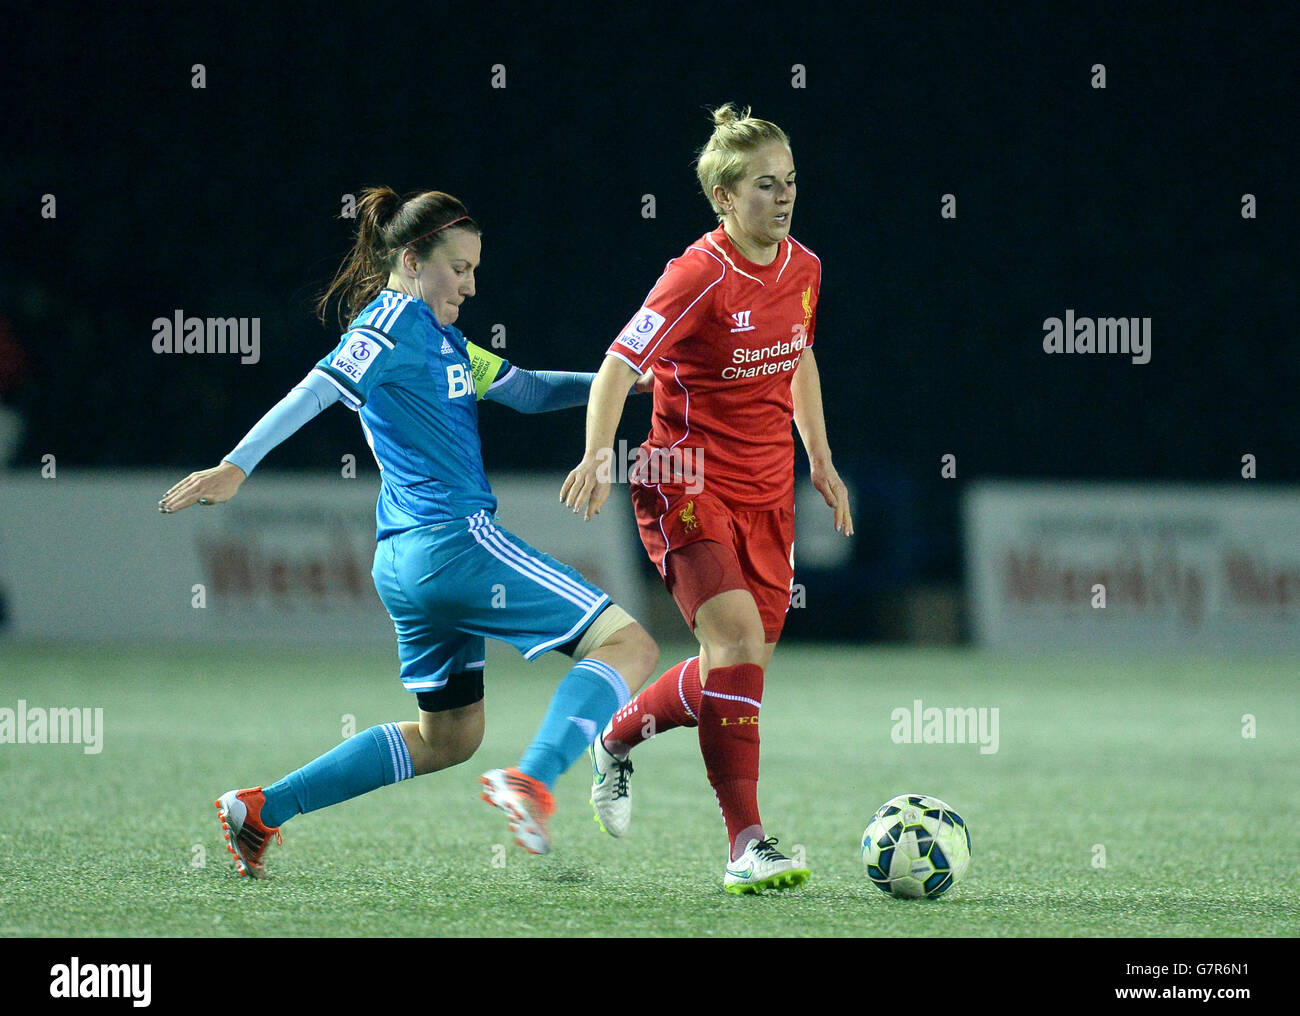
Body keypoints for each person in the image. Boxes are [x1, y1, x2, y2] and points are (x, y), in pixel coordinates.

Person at [160, 187, 658, 878]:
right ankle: (536, 778)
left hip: (406, 561)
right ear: (411, 258)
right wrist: (236, 464)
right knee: (629, 642)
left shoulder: (442, 338)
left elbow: (529, 389)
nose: (471, 284)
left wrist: (626, 382)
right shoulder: (388, 324)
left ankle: (262, 807)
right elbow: (319, 386)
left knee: (449, 736)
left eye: (476, 269)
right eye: (460, 267)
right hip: (456, 542)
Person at [561, 105, 853, 894]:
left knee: (737, 668)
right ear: (725, 198)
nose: (784, 197)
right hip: (683, 479)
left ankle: (614, 740)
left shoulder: (805, 267)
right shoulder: (698, 273)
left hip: (768, 492)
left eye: (790, 181)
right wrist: (597, 453)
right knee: (731, 641)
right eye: (765, 185)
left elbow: (799, 359)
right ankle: (746, 843)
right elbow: (620, 365)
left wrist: (820, 458)